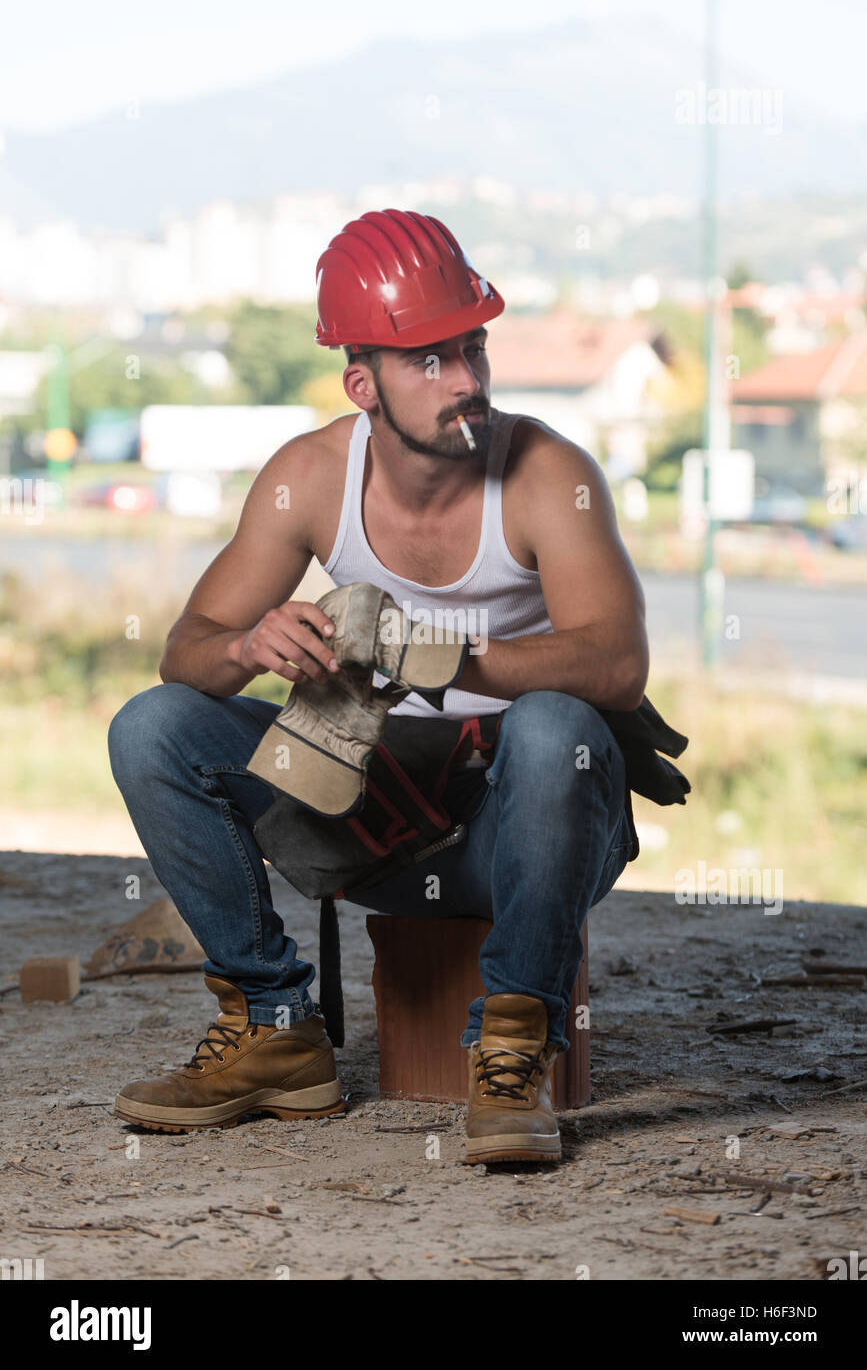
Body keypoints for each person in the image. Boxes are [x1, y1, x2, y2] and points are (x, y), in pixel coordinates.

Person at [108, 208, 648, 1163]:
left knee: (556, 722)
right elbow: (186, 649)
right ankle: (277, 1030)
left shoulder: (546, 472)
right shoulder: (309, 476)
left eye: (473, 347)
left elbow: (616, 662)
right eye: (431, 360)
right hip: (370, 815)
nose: (469, 380)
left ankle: (514, 1054)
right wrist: (252, 645)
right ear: (362, 382)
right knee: (154, 728)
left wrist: (443, 660)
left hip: (523, 832)